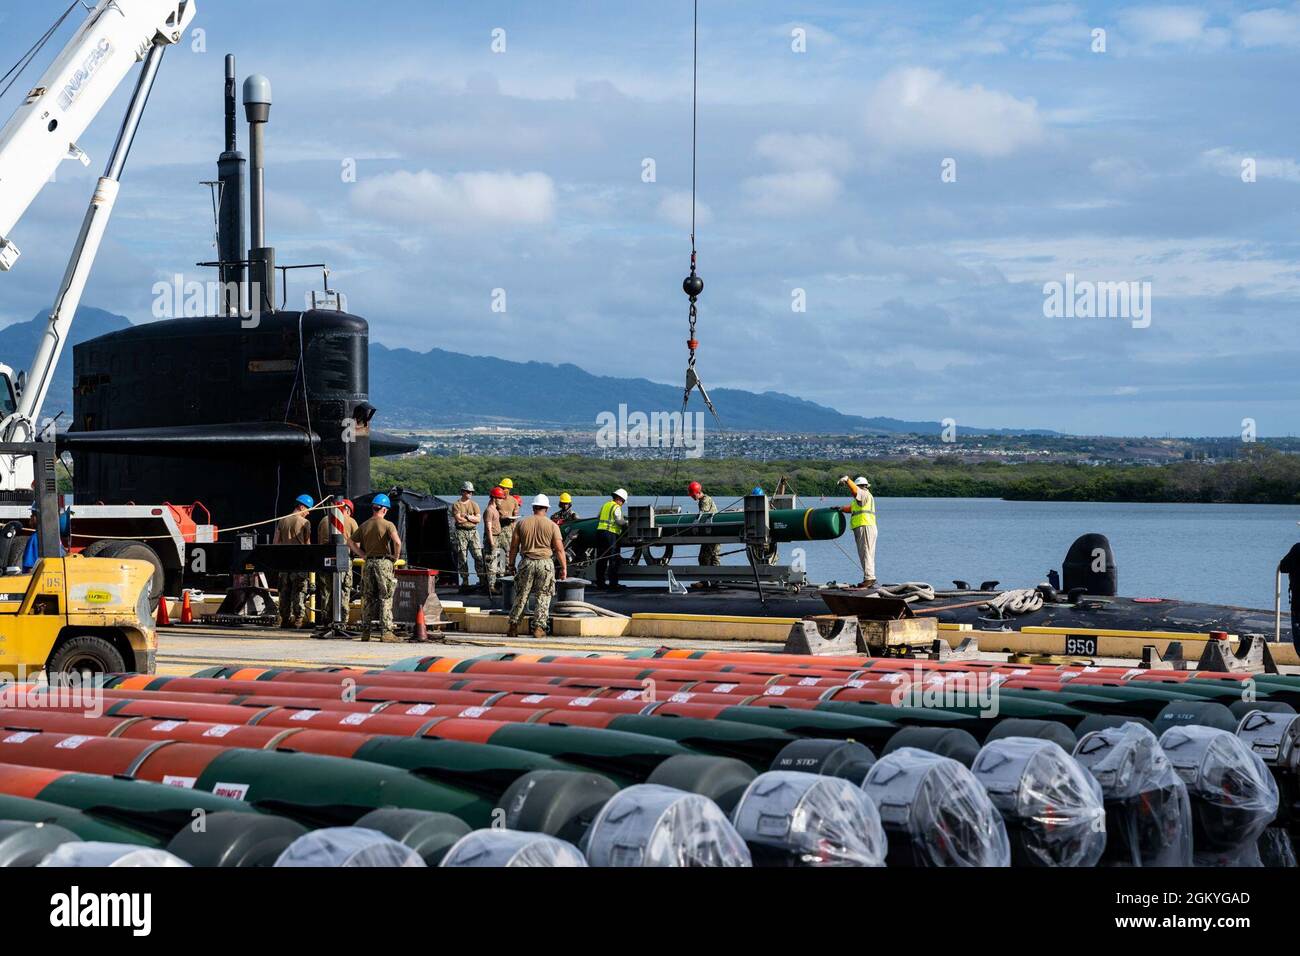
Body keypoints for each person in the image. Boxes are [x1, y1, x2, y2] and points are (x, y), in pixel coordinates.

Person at [506, 494, 568, 639]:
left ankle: (513, 626)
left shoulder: (521, 523)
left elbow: (514, 547)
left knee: (521, 595)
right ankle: (539, 628)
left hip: (526, 562)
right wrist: (564, 568)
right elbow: (559, 550)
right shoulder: (552, 525)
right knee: (543, 596)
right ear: (546, 508)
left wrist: (511, 564)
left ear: (533, 507)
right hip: (545, 563)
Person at [351, 493, 403, 642]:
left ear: (373, 508)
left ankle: (365, 632)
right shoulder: (388, 525)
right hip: (383, 563)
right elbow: (397, 542)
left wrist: (362, 555)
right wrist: (396, 557)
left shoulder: (365, 524)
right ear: (385, 510)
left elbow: (350, 542)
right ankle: (386, 632)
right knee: (385, 597)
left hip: (368, 564)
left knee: (368, 597)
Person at [314, 497, 358, 623]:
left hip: (324, 559)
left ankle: (326, 620)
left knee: (326, 590)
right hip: (343, 559)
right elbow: (357, 545)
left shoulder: (323, 520)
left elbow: (319, 540)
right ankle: (342, 620)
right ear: (348, 510)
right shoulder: (351, 521)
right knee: (344, 589)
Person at [274, 494, 314, 629]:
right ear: (301, 506)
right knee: (299, 591)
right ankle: (298, 620)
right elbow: (308, 545)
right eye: (308, 509)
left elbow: (276, 543)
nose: (308, 513)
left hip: (284, 562)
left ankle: (285, 619)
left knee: (284, 591)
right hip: (299, 562)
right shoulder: (305, 523)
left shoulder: (282, 521)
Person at [838, 475, 877, 588]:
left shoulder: (863, 493)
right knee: (868, 553)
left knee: (865, 552)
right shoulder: (860, 499)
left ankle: (869, 578)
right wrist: (841, 508)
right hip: (867, 527)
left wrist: (847, 480)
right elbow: (851, 508)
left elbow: (855, 491)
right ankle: (869, 577)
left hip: (864, 526)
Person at [451, 481, 485, 592]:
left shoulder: (474, 505)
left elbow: (478, 519)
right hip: (461, 532)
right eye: (468, 492)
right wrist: (471, 518)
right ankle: (465, 581)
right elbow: (458, 519)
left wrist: (467, 517)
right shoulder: (456, 505)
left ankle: (481, 579)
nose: (470, 494)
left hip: (473, 532)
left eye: (471, 492)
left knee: (478, 555)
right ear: (463, 492)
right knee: (462, 556)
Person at [594, 488, 628, 590]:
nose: (622, 503)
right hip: (610, 534)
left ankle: (600, 583)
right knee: (613, 559)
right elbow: (619, 520)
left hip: (600, 533)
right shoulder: (616, 507)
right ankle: (613, 584)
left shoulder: (605, 505)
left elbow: (598, 517)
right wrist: (626, 523)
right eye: (622, 501)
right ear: (619, 498)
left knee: (601, 559)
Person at [688, 480, 720, 566]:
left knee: (710, 557)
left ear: (698, 492)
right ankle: (711, 578)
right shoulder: (704, 499)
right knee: (708, 557)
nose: (692, 497)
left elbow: (703, 515)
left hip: (713, 532)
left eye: (693, 495)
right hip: (710, 532)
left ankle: (713, 578)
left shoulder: (705, 500)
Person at [483, 486, 508, 594]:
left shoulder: (495, 510)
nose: (502, 501)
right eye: (500, 498)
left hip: (498, 537)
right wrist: (492, 543)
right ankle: (491, 586)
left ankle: (499, 583)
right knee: (492, 563)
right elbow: (488, 528)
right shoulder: (489, 510)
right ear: (494, 498)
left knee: (500, 560)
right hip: (492, 538)